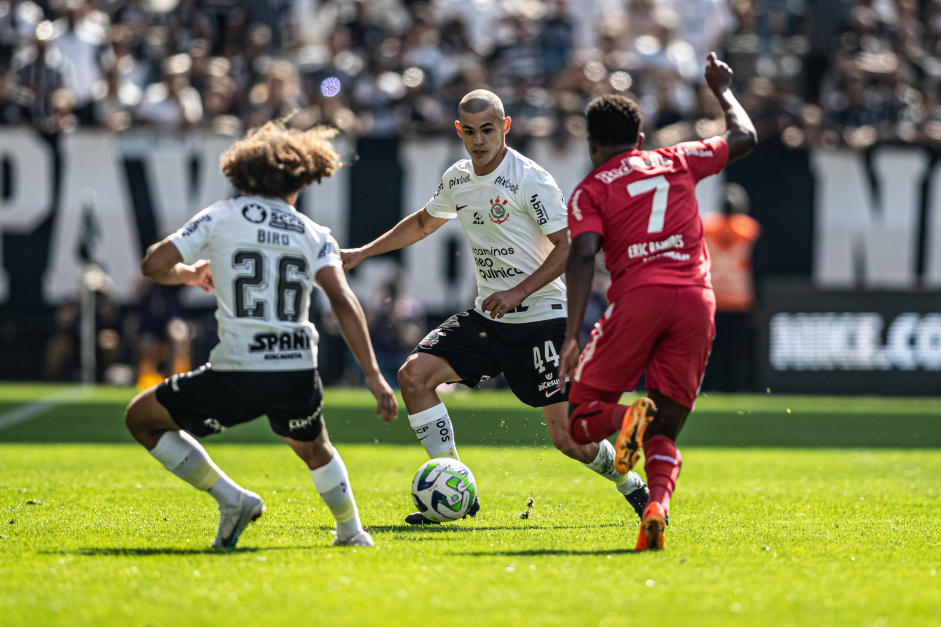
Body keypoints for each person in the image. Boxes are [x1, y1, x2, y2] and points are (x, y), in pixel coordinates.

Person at [341, 89, 649, 525]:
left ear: (505, 127)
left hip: (543, 321)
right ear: (459, 132)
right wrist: (363, 253)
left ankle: (631, 485)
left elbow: (569, 249)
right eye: (470, 132)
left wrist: (518, 292)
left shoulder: (531, 179)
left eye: (487, 130)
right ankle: (457, 488)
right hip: (489, 319)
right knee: (413, 377)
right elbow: (425, 222)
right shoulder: (458, 178)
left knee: (568, 441)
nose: (479, 141)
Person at [124, 121, 398, 549]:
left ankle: (232, 499)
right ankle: (351, 531)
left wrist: (190, 275)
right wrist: (374, 375)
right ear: (301, 177)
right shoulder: (313, 232)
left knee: (141, 418)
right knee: (315, 447)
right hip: (297, 368)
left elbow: (153, 265)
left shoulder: (222, 215)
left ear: (243, 173)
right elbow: (343, 300)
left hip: (241, 370)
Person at [557, 52, 757, 551]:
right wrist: (723, 90)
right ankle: (655, 509)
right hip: (695, 301)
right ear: (641, 141)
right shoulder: (678, 157)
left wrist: (570, 335)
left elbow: (582, 257)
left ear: (592, 145)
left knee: (581, 418)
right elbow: (745, 138)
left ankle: (628, 419)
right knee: (665, 430)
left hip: (639, 298)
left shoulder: (589, 190)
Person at [702, 182, 761, 392]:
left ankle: (711, 387)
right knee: (736, 351)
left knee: (711, 351)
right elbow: (756, 267)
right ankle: (737, 387)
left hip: (712, 299)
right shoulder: (749, 230)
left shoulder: (708, 227)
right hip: (739, 300)